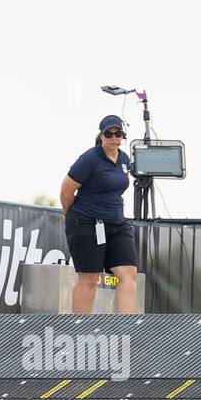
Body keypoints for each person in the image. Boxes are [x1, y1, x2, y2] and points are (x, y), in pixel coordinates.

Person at [59, 115, 139, 314]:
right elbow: (66, 190)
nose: (114, 137)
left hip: (117, 223)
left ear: (123, 136)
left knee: (128, 273)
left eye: (118, 133)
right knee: (90, 278)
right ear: (101, 135)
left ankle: (124, 329)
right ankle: (80, 328)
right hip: (86, 221)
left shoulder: (124, 159)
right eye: (109, 133)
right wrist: (69, 215)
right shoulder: (90, 158)